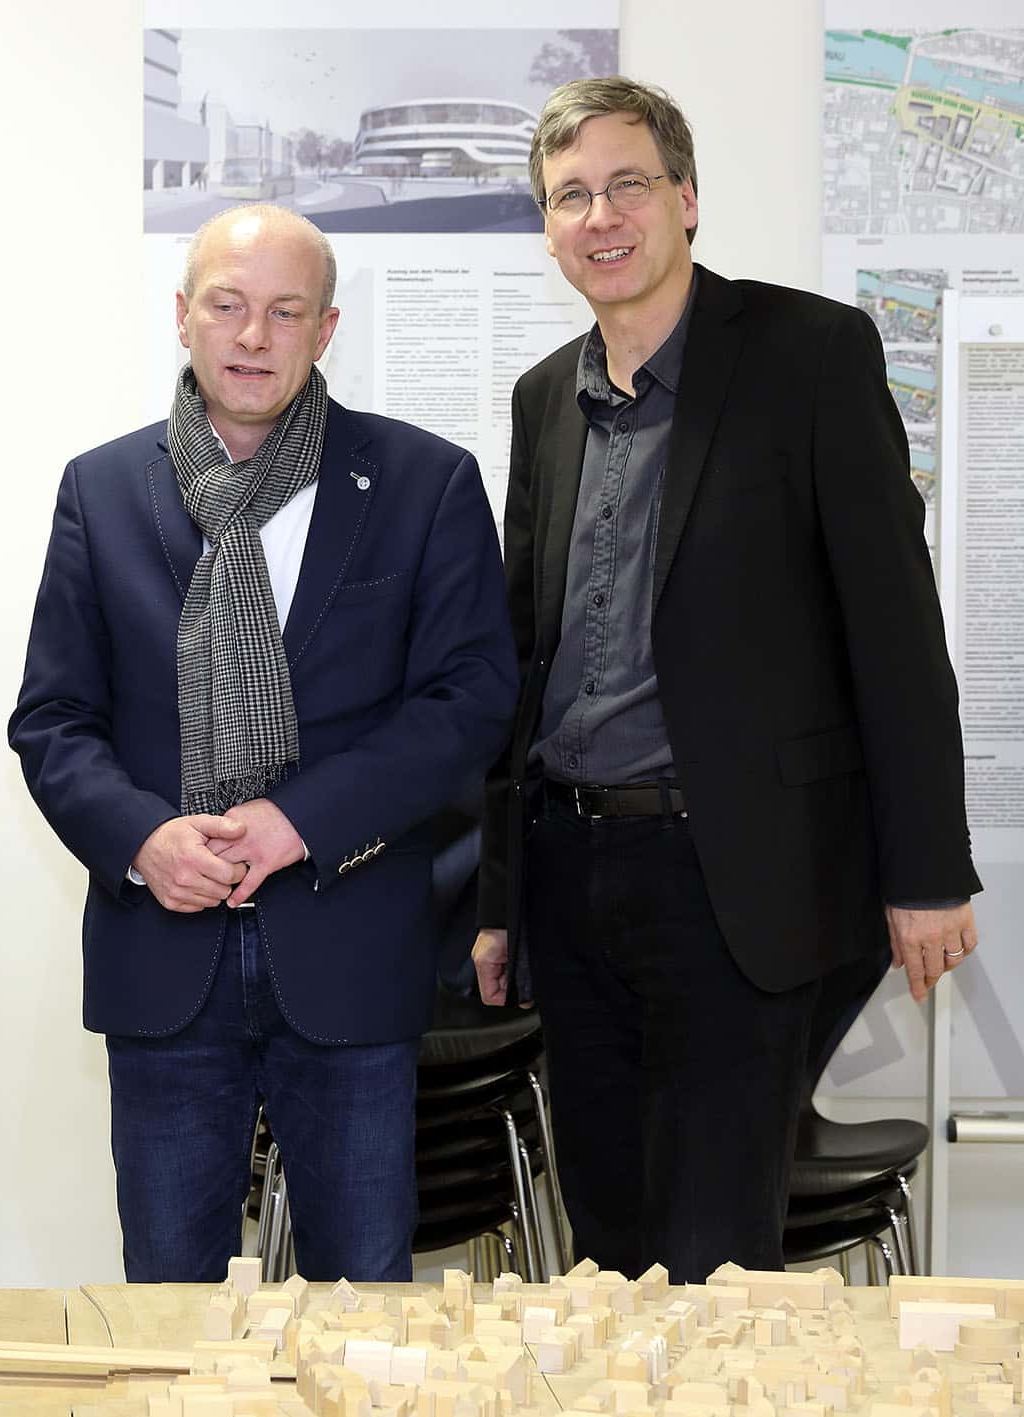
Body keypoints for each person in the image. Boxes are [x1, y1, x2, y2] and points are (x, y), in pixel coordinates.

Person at [472, 77, 980, 1281]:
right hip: (571, 877)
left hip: (732, 879)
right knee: (603, 1246)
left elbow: (894, 632)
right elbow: (520, 657)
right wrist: (498, 893)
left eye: (626, 184)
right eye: (568, 196)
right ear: (547, 227)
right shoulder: (545, 398)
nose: (599, 216)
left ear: (685, 198)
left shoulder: (806, 355)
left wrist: (925, 873)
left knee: (712, 1256)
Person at [9, 203, 515, 1283]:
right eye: (227, 306)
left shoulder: (424, 482)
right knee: (168, 1307)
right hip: (164, 954)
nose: (252, 336)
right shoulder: (100, 490)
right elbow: (52, 721)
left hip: (350, 948)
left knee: (362, 1308)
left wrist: (301, 821)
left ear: (325, 330)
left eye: (284, 312)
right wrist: (143, 840)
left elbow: (468, 702)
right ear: (181, 316)